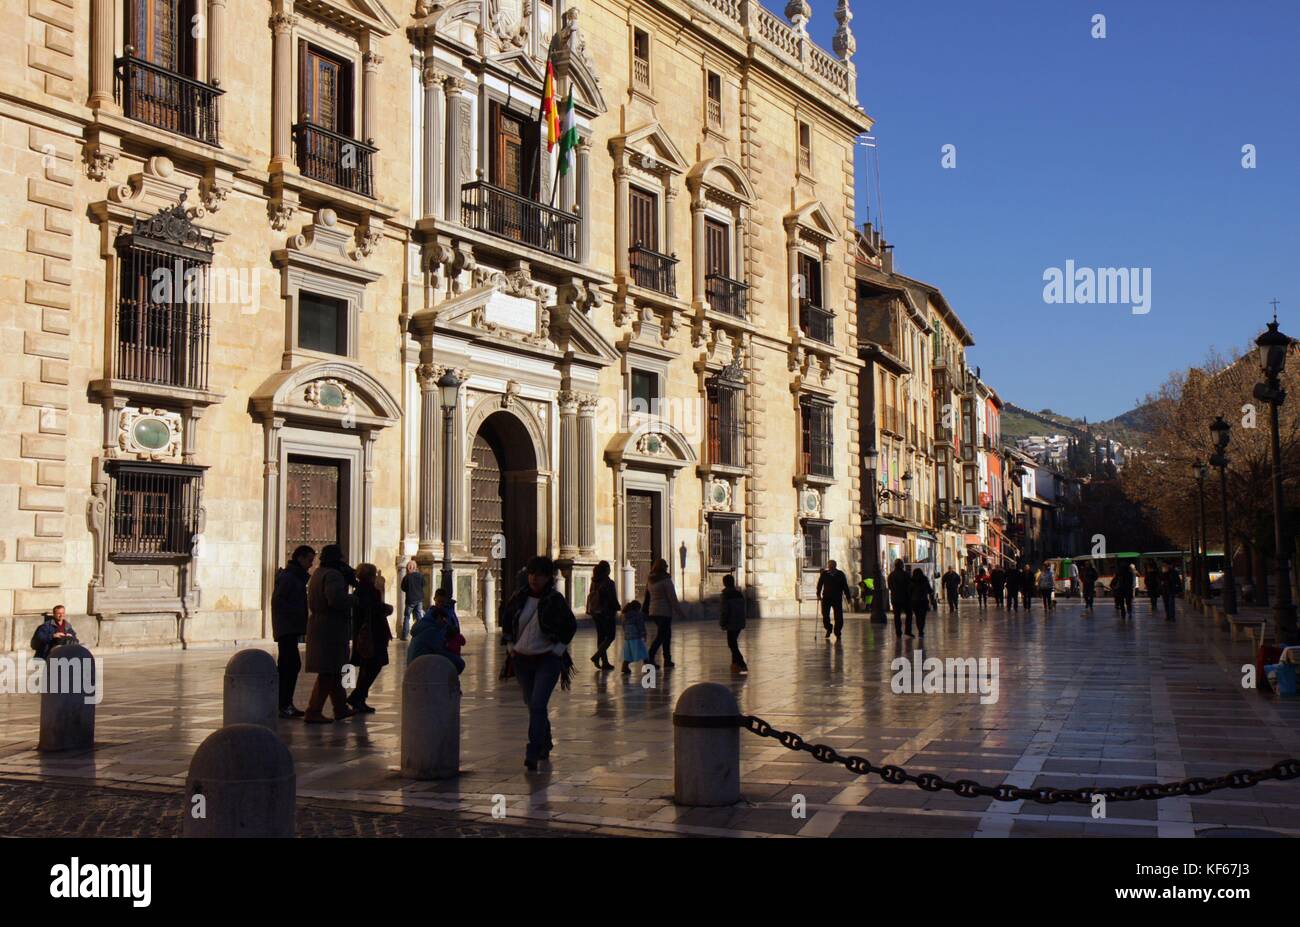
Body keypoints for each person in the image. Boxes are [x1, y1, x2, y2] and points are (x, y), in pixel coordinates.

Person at [500, 556, 577, 770]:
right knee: (532, 704)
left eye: (540, 575)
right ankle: (546, 740)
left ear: (548, 578)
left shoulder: (555, 599)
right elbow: (507, 621)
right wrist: (510, 647)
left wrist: (557, 650)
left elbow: (570, 625)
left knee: (537, 704)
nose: (534, 578)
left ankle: (533, 750)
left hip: (547, 660)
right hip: (522, 661)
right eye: (532, 573)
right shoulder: (519, 597)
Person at [304, 544, 357, 724]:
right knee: (328, 672)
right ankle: (313, 710)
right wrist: (354, 599)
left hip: (323, 626)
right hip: (330, 628)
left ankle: (340, 707)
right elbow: (335, 600)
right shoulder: (333, 575)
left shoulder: (318, 573)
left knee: (335, 671)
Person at [271, 545, 314, 718]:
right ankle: (283, 704)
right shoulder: (289, 578)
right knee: (289, 665)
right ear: (300, 558)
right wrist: (292, 619)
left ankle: (285, 703)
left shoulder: (295, 577)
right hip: (286, 629)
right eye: (309, 560)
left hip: (290, 628)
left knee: (291, 665)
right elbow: (279, 602)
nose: (311, 564)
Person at [347, 563, 393, 713]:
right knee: (373, 665)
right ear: (371, 576)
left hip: (367, 632)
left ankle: (359, 697)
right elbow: (371, 608)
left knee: (368, 666)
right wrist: (386, 608)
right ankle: (358, 696)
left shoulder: (360, 589)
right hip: (372, 633)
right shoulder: (368, 590)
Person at [408, 588, 466, 674]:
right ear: (438, 618)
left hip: (413, 668)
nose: (444, 623)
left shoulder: (424, 623)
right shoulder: (432, 630)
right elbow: (440, 650)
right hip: (420, 671)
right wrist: (460, 663)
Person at [645, 558, 681, 668]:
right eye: (665, 565)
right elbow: (672, 597)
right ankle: (649, 657)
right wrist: (679, 611)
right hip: (664, 611)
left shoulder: (651, 580)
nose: (667, 566)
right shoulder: (666, 580)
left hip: (654, 611)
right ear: (662, 567)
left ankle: (667, 659)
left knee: (666, 635)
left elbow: (648, 596)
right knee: (662, 636)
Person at [586, 561, 620, 671]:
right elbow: (612, 598)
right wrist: (617, 607)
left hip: (596, 612)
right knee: (610, 636)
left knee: (601, 637)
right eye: (608, 568)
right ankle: (597, 656)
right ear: (606, 570)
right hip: (607, 613)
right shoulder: (609, 583)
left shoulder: (594, 582)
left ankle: (604, 662)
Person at [816, 559, 850, 639]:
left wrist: (848, 597)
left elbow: (845, 586)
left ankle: (837, 631)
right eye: (829, 566)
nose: (830, 568)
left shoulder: (840, 574)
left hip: (837, 598)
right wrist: (818, 594)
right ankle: (829, 628)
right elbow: (819, 584)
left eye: (832, 566)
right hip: (826, 598)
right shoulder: (824, 574)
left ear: (835, 566)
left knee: (838, 616)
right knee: (825, 615)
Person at [720, 574, 748, 672]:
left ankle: (741, 663)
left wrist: (723, 622)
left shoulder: (726, 595)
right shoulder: (739, 594)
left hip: (731, 622)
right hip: (739, 622)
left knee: (732, 644)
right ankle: (735, 664)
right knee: (733, 642)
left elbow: (725, 611)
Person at [398, 559, 425, 642]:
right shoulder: (420, 576)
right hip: (419, 599)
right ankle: (421, 634)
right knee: (419, 617)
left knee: (407, 617)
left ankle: (405, 635)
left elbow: (403, 588)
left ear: (409, 568)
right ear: (415, 568)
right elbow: (423, 584)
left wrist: (409, 589)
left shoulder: (406, 577)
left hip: (410, 600)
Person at [620, 599, 648, 675]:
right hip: (636, 637)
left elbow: (623, 626)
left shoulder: (625, 615)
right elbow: (640, 625)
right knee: (643, 651)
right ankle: (648, 665)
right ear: (637, 608)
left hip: (628, 638)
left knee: (629, 653)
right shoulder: (637, 615)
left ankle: (624, 666)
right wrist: (644, 633)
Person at [909, 567, 936, 638]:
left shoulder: (911, 580)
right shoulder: (925, 579)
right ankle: (921, 630)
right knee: (923, 616)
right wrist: (931, 594)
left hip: (915, 601)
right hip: (923, 600)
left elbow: (909, 591)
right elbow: (929, 589)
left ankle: (920, 629)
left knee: (917, 616)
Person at [888, 559, 912, 637]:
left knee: (897, 616)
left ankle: (898, 632)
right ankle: (907, 630)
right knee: (909, 614)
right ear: (902, 565)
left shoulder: (891, 575)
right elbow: (910, 586)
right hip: (905, 598)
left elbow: (890, 586)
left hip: (895, 598)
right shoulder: (906, 574)